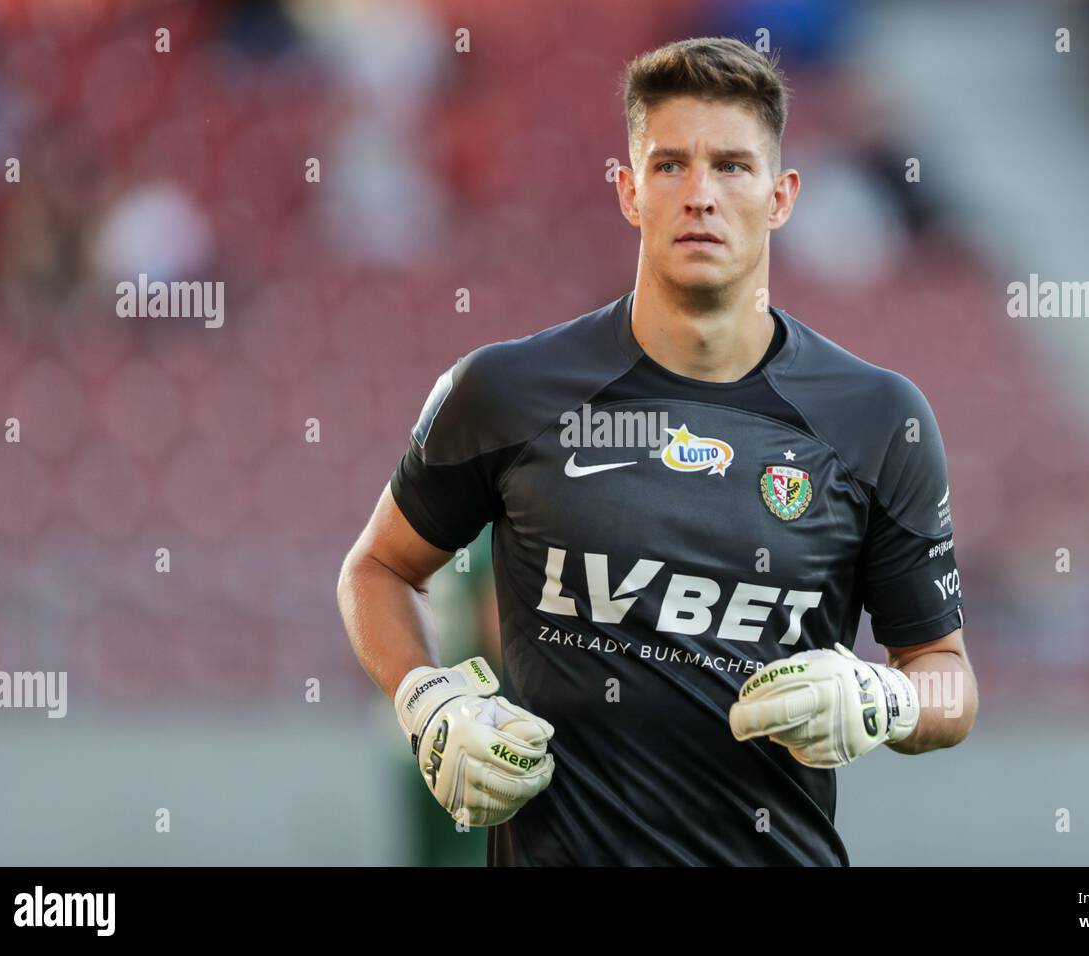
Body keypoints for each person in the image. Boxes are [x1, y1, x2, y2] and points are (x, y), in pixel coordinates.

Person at [337, 36, 978, 866]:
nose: (701, 195)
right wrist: (423, 695)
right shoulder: (505, 391)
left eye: (733, 167)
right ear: (629, 192)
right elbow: (377, 570)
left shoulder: (878, 419)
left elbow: (947, 680)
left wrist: (887, 698)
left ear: (782, 197)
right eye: (671, 165)